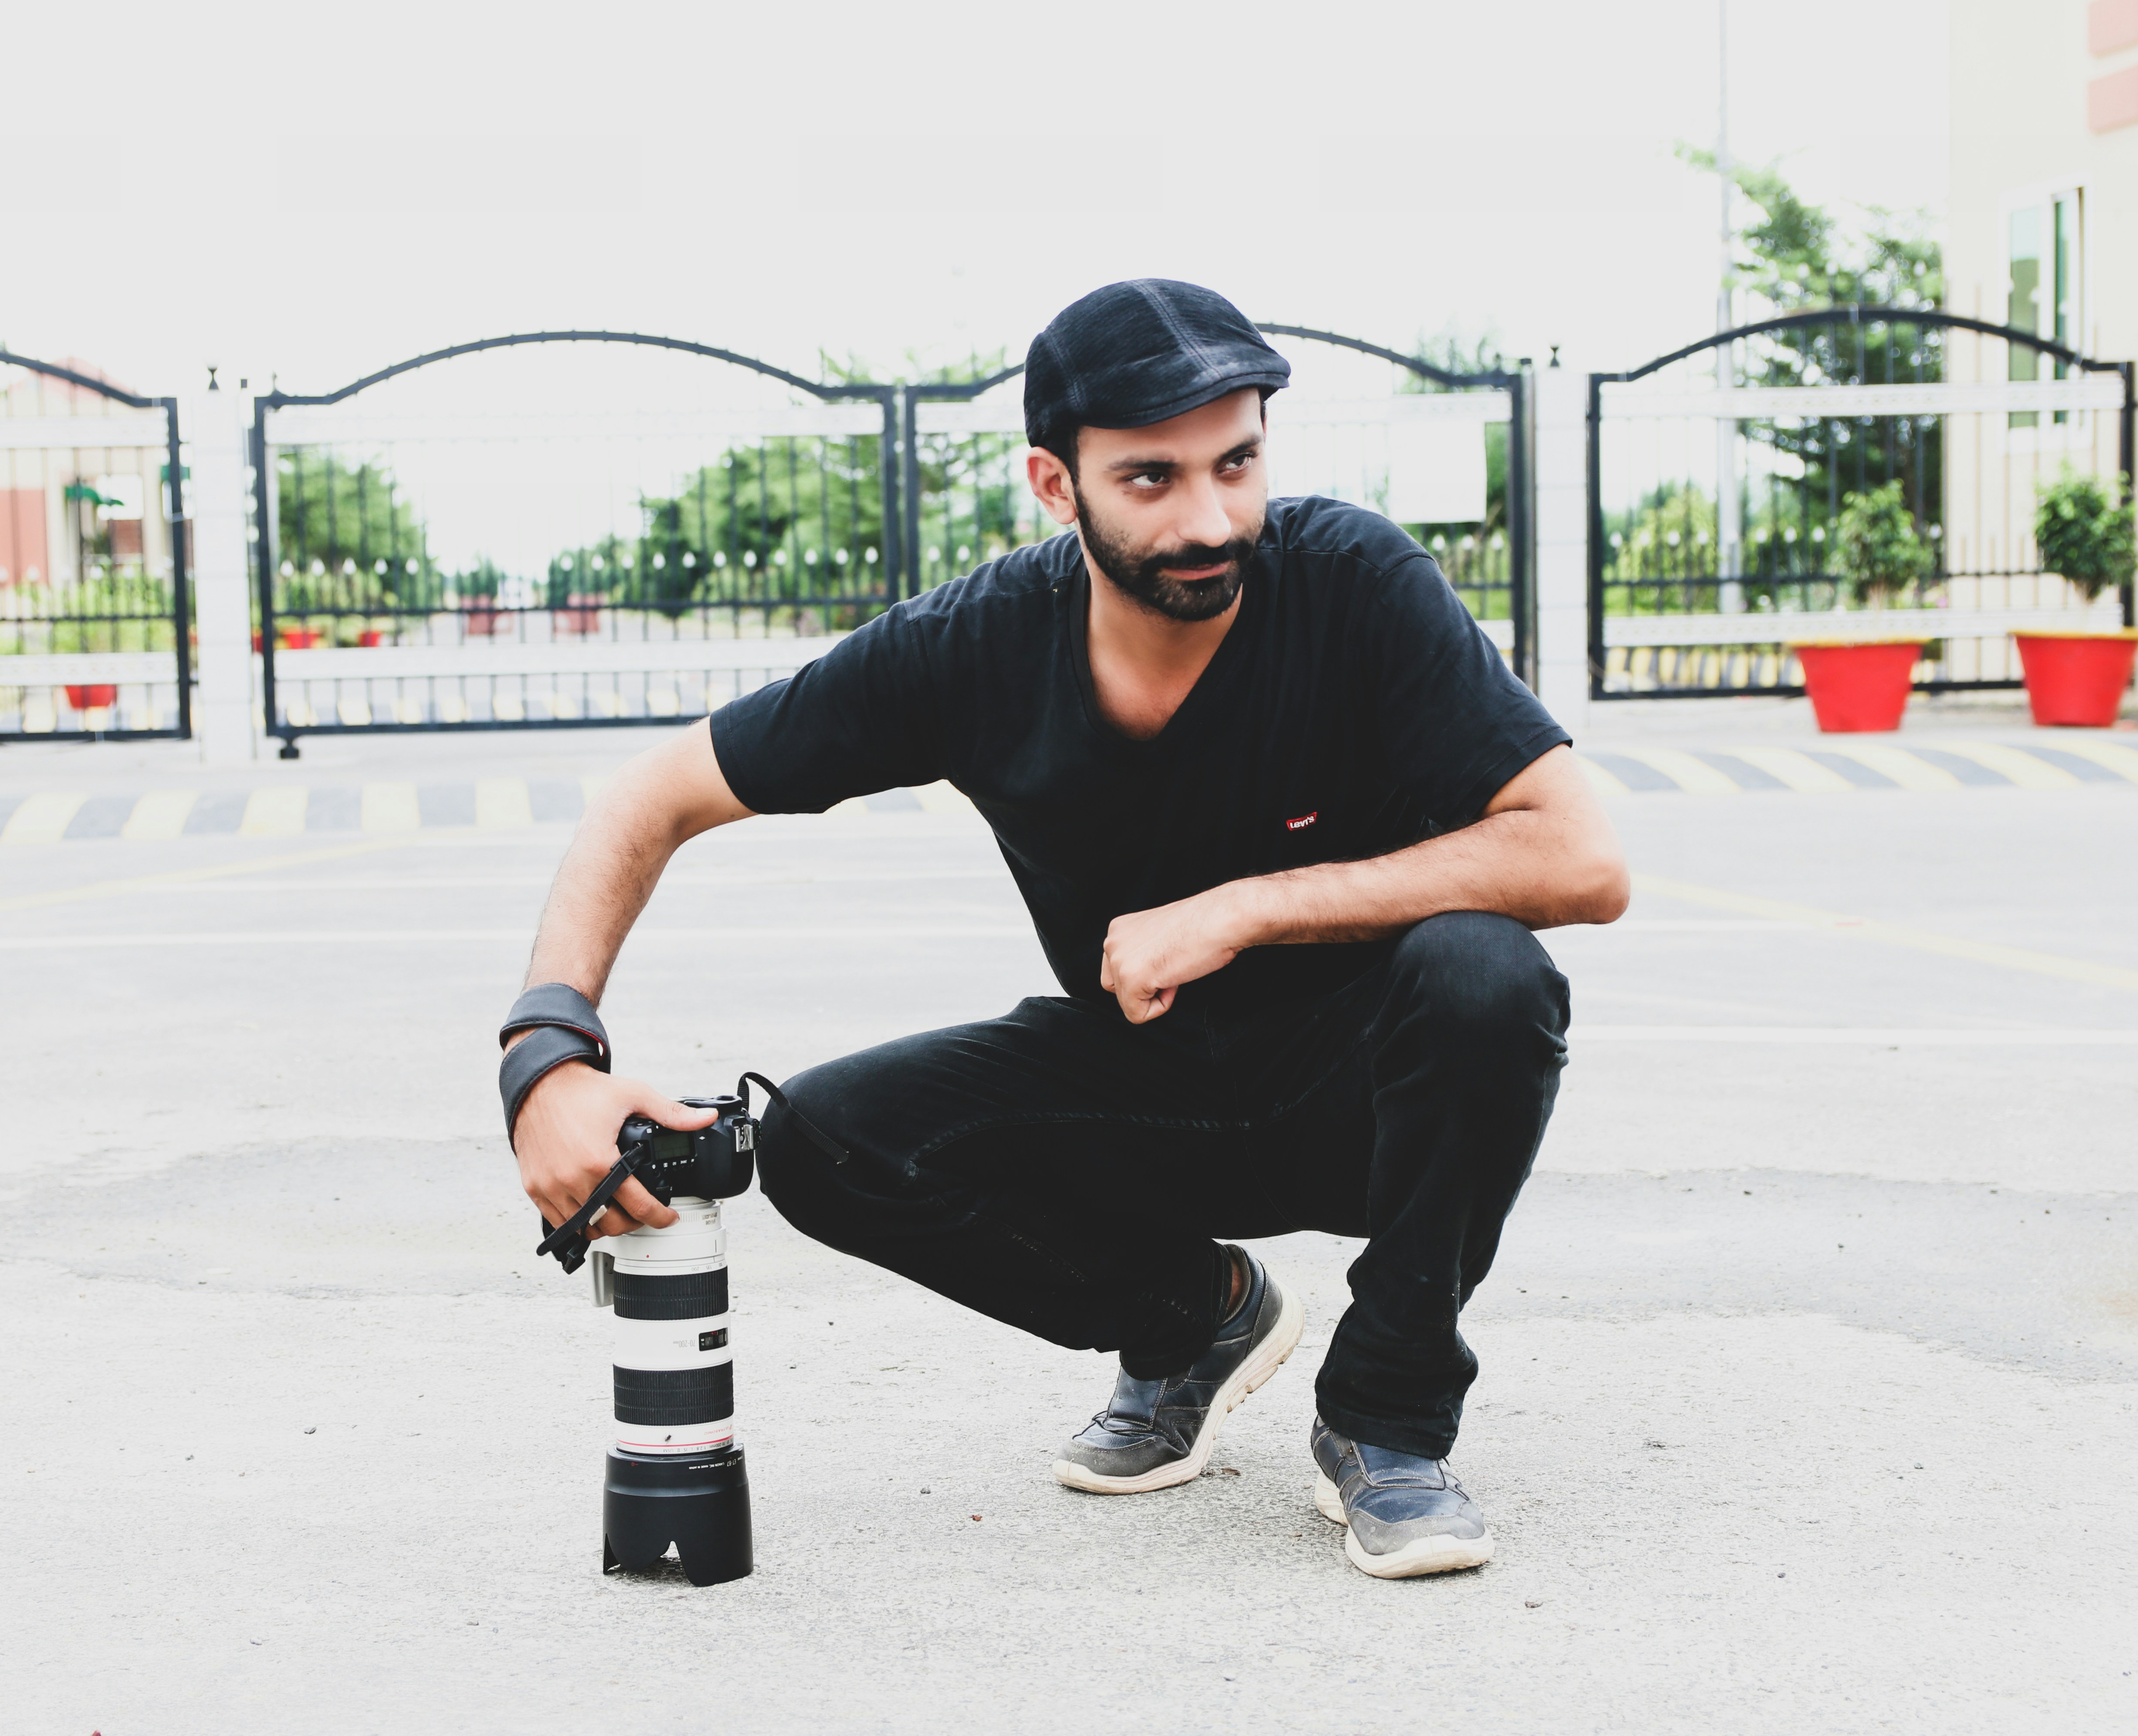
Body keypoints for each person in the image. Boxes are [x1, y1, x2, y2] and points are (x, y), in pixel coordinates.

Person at [502, 280, 1627, 1579]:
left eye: (1238, 463)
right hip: (1142, 1091)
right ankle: (1193, 1319)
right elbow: (650, 799)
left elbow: (1580, 856)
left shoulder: (1354, 585)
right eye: (1151, 479)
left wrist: (1244, 908)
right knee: (825, 1142)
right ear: (1056, 483)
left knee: (1488, 974)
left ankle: (1387, 1412)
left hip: (1368, 1095)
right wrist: (546, 1057)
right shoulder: (974, 647)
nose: (1211, 520)